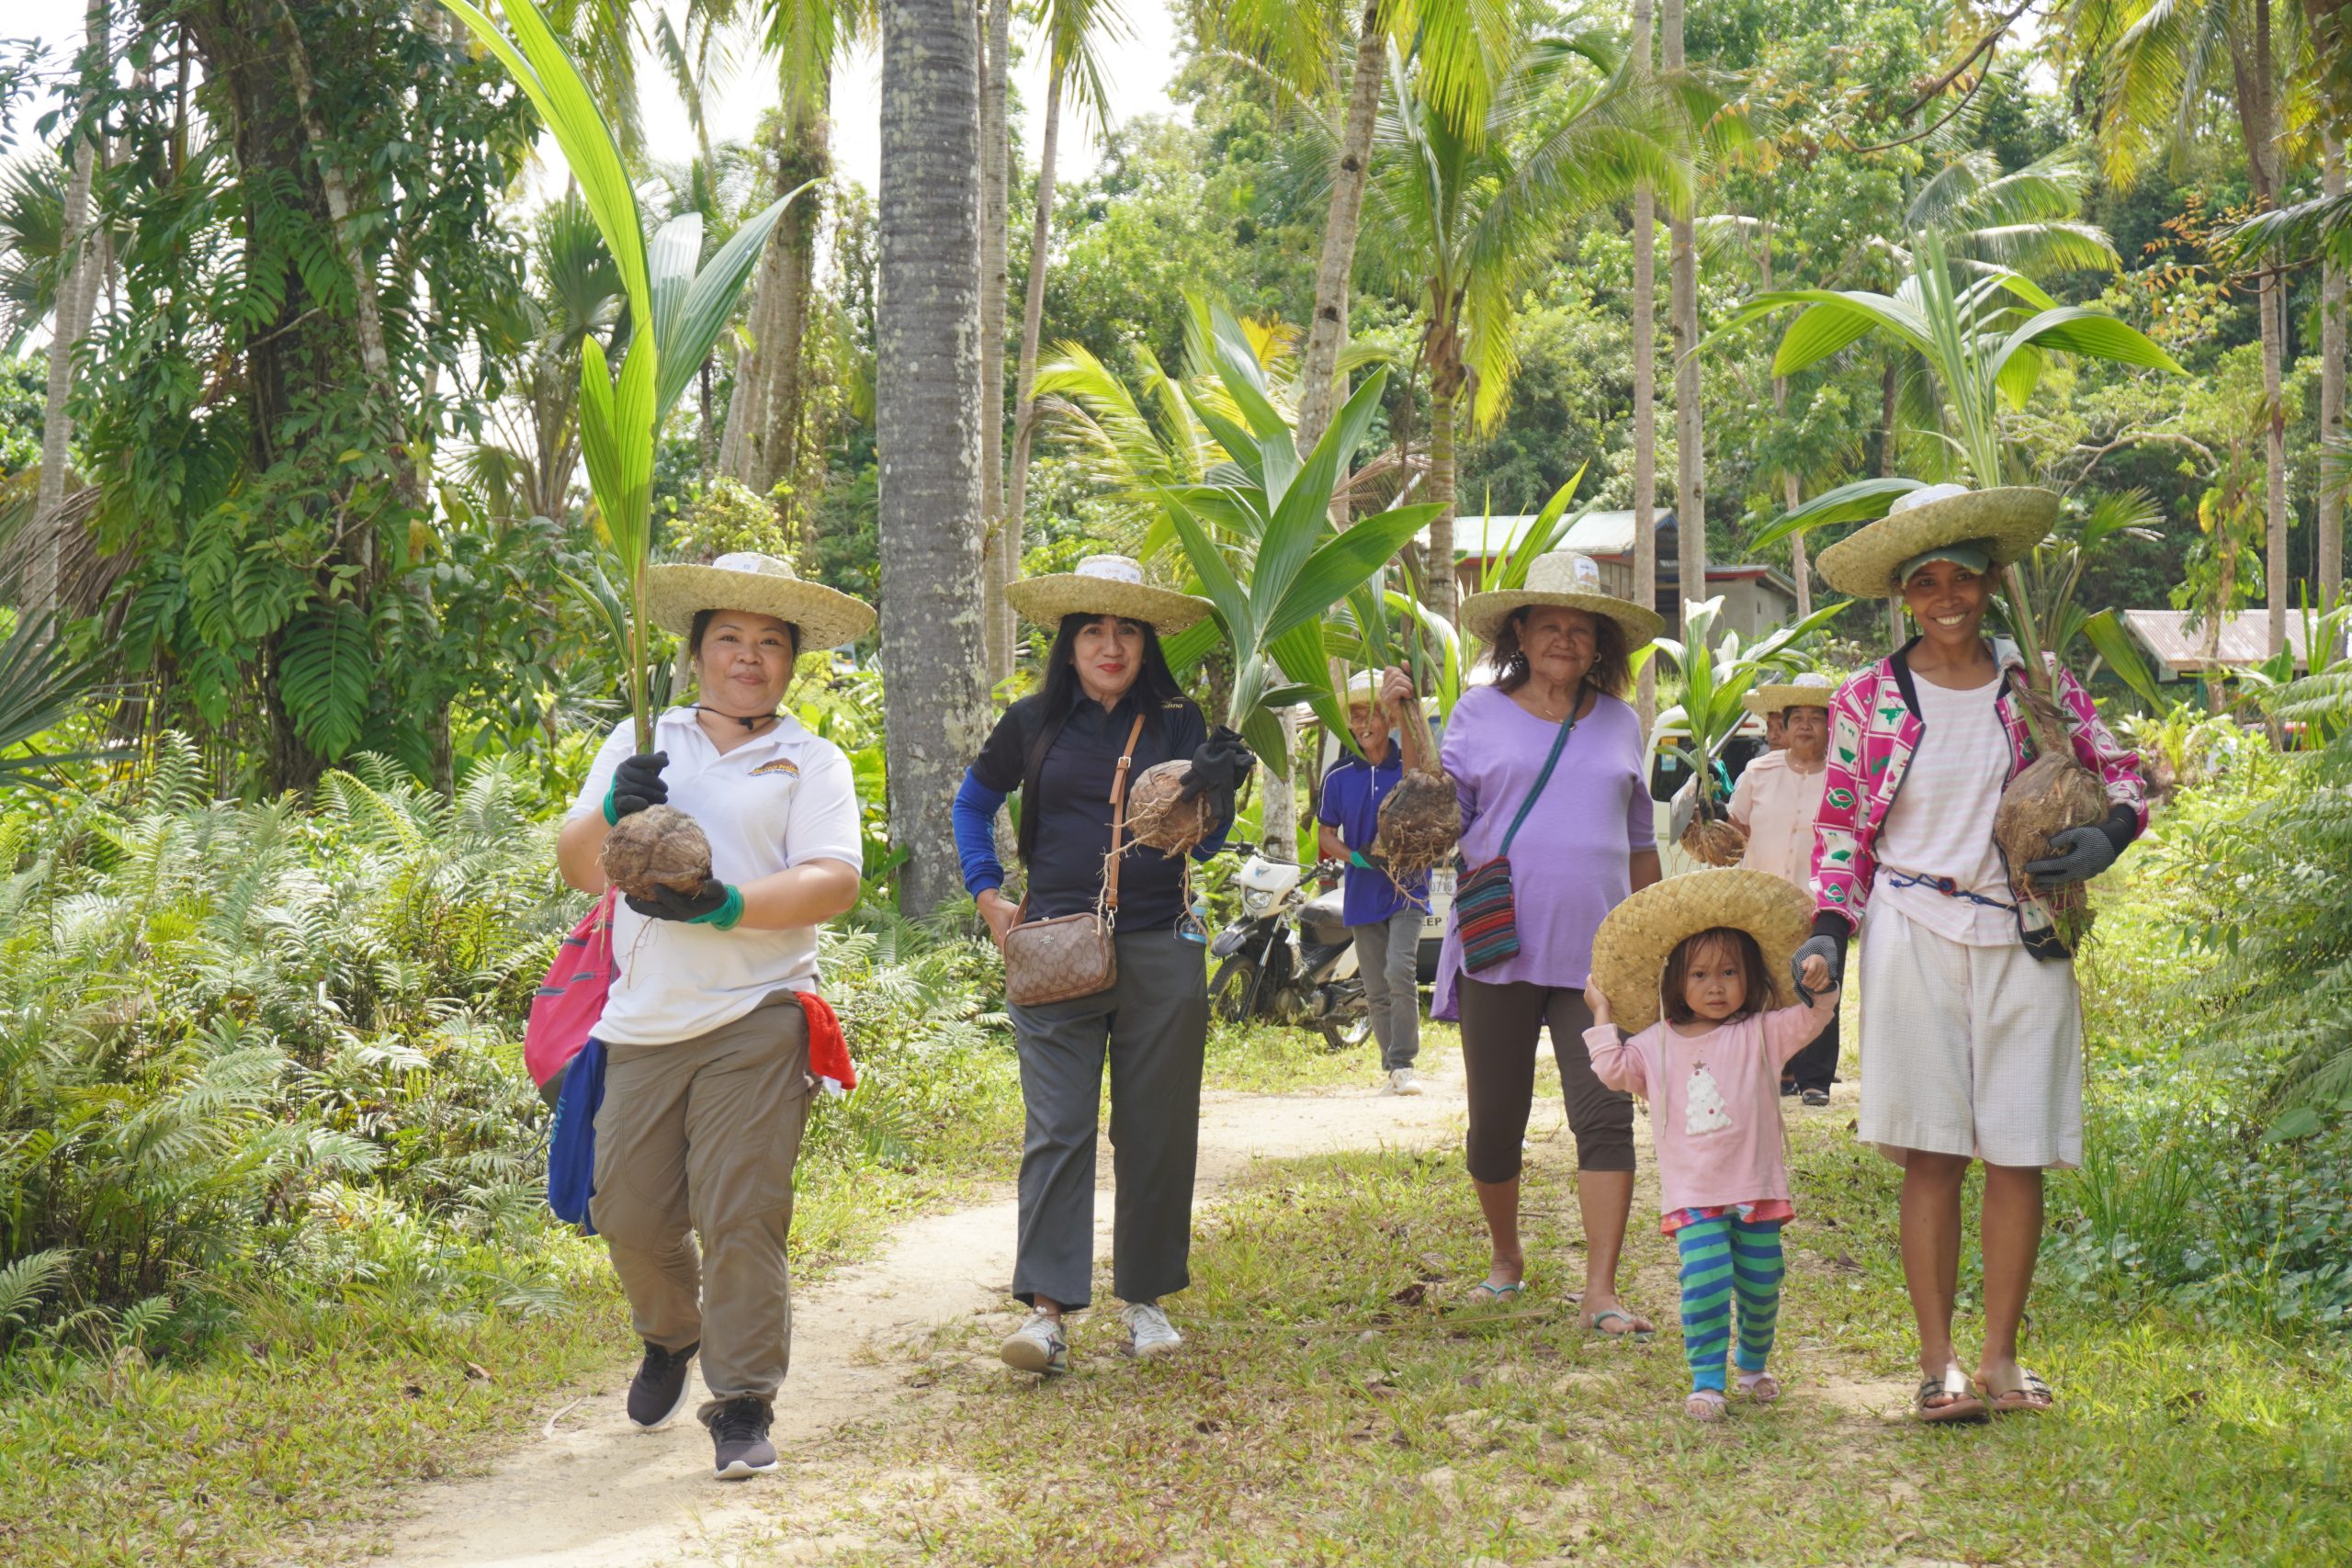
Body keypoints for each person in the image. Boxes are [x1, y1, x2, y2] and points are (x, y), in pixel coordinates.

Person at [1799, 485, 2148, 1422]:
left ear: (1992, 582)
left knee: (2017, 1151)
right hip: (1914, 927)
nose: (1946, 596)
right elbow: (1841, 833)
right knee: (1932, 1154)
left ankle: (1999, 1357)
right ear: (1903, 595)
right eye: (1926, 582)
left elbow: (2119, 767)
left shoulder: (2033, 679)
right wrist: (1827, 930)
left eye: (1963, 577)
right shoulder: (1867, 698)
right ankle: (1937, 1361)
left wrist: (2110, 833)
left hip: (2024, 929)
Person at [556, 552, 874, 1479]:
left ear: (791, 662)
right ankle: (669, 1334)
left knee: (742, 1212)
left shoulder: (808, 759)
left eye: (770, 642)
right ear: (695, 652)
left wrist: (726, 906)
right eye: (729, 637)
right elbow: (580, 866)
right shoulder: (642, 740)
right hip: (644, 1020)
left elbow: (835, 879)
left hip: (760, 1013)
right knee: (628, 1216)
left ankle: (741, 1403)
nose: (749, 656)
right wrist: (617, 807)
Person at [952, 555, 1255, 1375]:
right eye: (1094, 630)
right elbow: (972, 803)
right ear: (1069, 641)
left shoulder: (1182, 724)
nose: (1111, 645)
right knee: (1056, 1128)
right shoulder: (1032, 722)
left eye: (1126, 629)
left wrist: (1224, 787)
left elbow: (1209, 837)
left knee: (1156, 1131)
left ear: (1146, 640)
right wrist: (990, 895)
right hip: (1053, 945)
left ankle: (1146, 1302)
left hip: (1163, 944)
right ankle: (1047, 1312)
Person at [1437, 550, 1665, 1333]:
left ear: (1600, 644)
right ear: (1520, 634)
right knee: (1494, 1119)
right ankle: (1506, 1256)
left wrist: (1659, 936)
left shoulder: (1623, 721)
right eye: (1551, 625)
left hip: (1599, 958)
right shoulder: (1474, 714)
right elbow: (1439, 819)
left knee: (1605, 1113)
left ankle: (1601, 1288)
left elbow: (1641, 841)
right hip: (1498, 943)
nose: (1566, 639)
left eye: (1582, 628)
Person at [1584, 871, 1840, 1420]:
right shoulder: (1655, 1045)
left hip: (1756, 1187)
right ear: (1676, 983)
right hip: (1694, 1192)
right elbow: (1611, 1070)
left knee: (1762, 1279)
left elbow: (1817, 1014)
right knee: (1704, 1281)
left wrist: (1818, 979)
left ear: (1750, 978)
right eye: (1699, 975)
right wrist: (1602, 1015)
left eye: (1729, 972)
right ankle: (1706, 1378)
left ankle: (1751, 1363)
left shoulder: (1763, 1032)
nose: (1716, 986)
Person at [1730, 672, 1842, 1104]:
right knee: (1765, 984)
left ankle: (1815, 1078)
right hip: (1760, 899)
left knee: (1818, 981)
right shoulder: (1757, 771)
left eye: (1817, 717)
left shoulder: (1842, 775)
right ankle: (1776, 1070)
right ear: (1786, 722)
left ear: (1831, 726)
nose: (1806, 726)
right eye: (1798, 717)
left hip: (1820, 902)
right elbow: (1736, 828)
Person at [1316, 671, 1429, 1096]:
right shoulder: (1338, 775)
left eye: (1373, 714)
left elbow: (1421, 781)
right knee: (1377, 985)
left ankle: (1406, 1063)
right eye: (1355, 715)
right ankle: (1393, 1068)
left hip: (1409, 885)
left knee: (1400, 968)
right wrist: (1352, 856)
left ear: (1390, 720)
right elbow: (1326, 833)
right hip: (1363, 890)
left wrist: (1406, 705)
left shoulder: (1408, 763)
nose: (1363, 723)